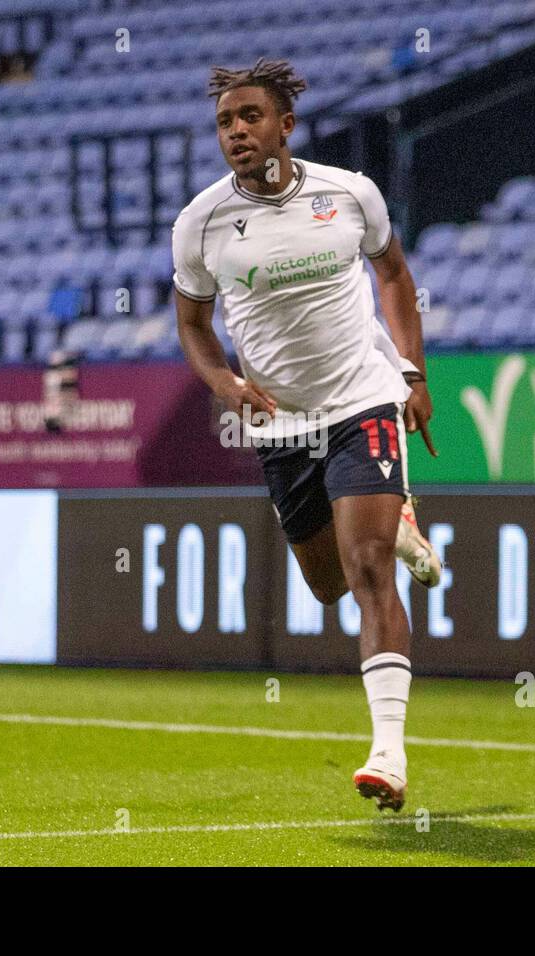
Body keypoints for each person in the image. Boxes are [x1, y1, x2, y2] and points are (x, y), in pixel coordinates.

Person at [172, 58, 441, 812]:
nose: (237, 132)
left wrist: (413, 375)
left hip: (363, 401)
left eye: (250, 117)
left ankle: (388, 752)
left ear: (285, 124)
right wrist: (225, 384)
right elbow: (192, 325)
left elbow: (393, 275)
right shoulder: (200, 223)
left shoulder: (348, 193)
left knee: (367, 571)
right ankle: (405, 524)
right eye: (226, 122)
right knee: (325, 586)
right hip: (285, 426)